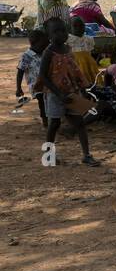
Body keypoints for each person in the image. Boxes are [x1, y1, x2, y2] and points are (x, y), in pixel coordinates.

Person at [37, 17, 99, 166]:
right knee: (54, 124)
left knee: (79, 124)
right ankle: (48, 155)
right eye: (56, 31)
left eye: (63, 30)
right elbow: (43, 77)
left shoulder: (68, 50)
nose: (61, 34)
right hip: (54, 95)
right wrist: (58, 94)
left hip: (71, 94)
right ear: (49, 36)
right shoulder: (48, 53)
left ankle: (87, 155)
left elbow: (76, 72)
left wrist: (83, 90)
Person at [16, 26, 49, 126]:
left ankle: (50, 117)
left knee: (49, 101)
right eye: (43, 45)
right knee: (42, 101)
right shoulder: (26, 56)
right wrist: (18, 88)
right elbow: (20, 71)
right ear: (33, 44)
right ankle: (45, 120)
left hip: (48, 83)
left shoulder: (45, 53)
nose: (45, 47)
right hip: (36, 85)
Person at [66, 17, 99, 83]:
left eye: (81, 25)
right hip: (75, 66)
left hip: (88, 65)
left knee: (92, 81)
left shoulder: (88, 39)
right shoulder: (68, 40)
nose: (79, 28)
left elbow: (91, 53)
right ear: (69, 28)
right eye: (75, 26)